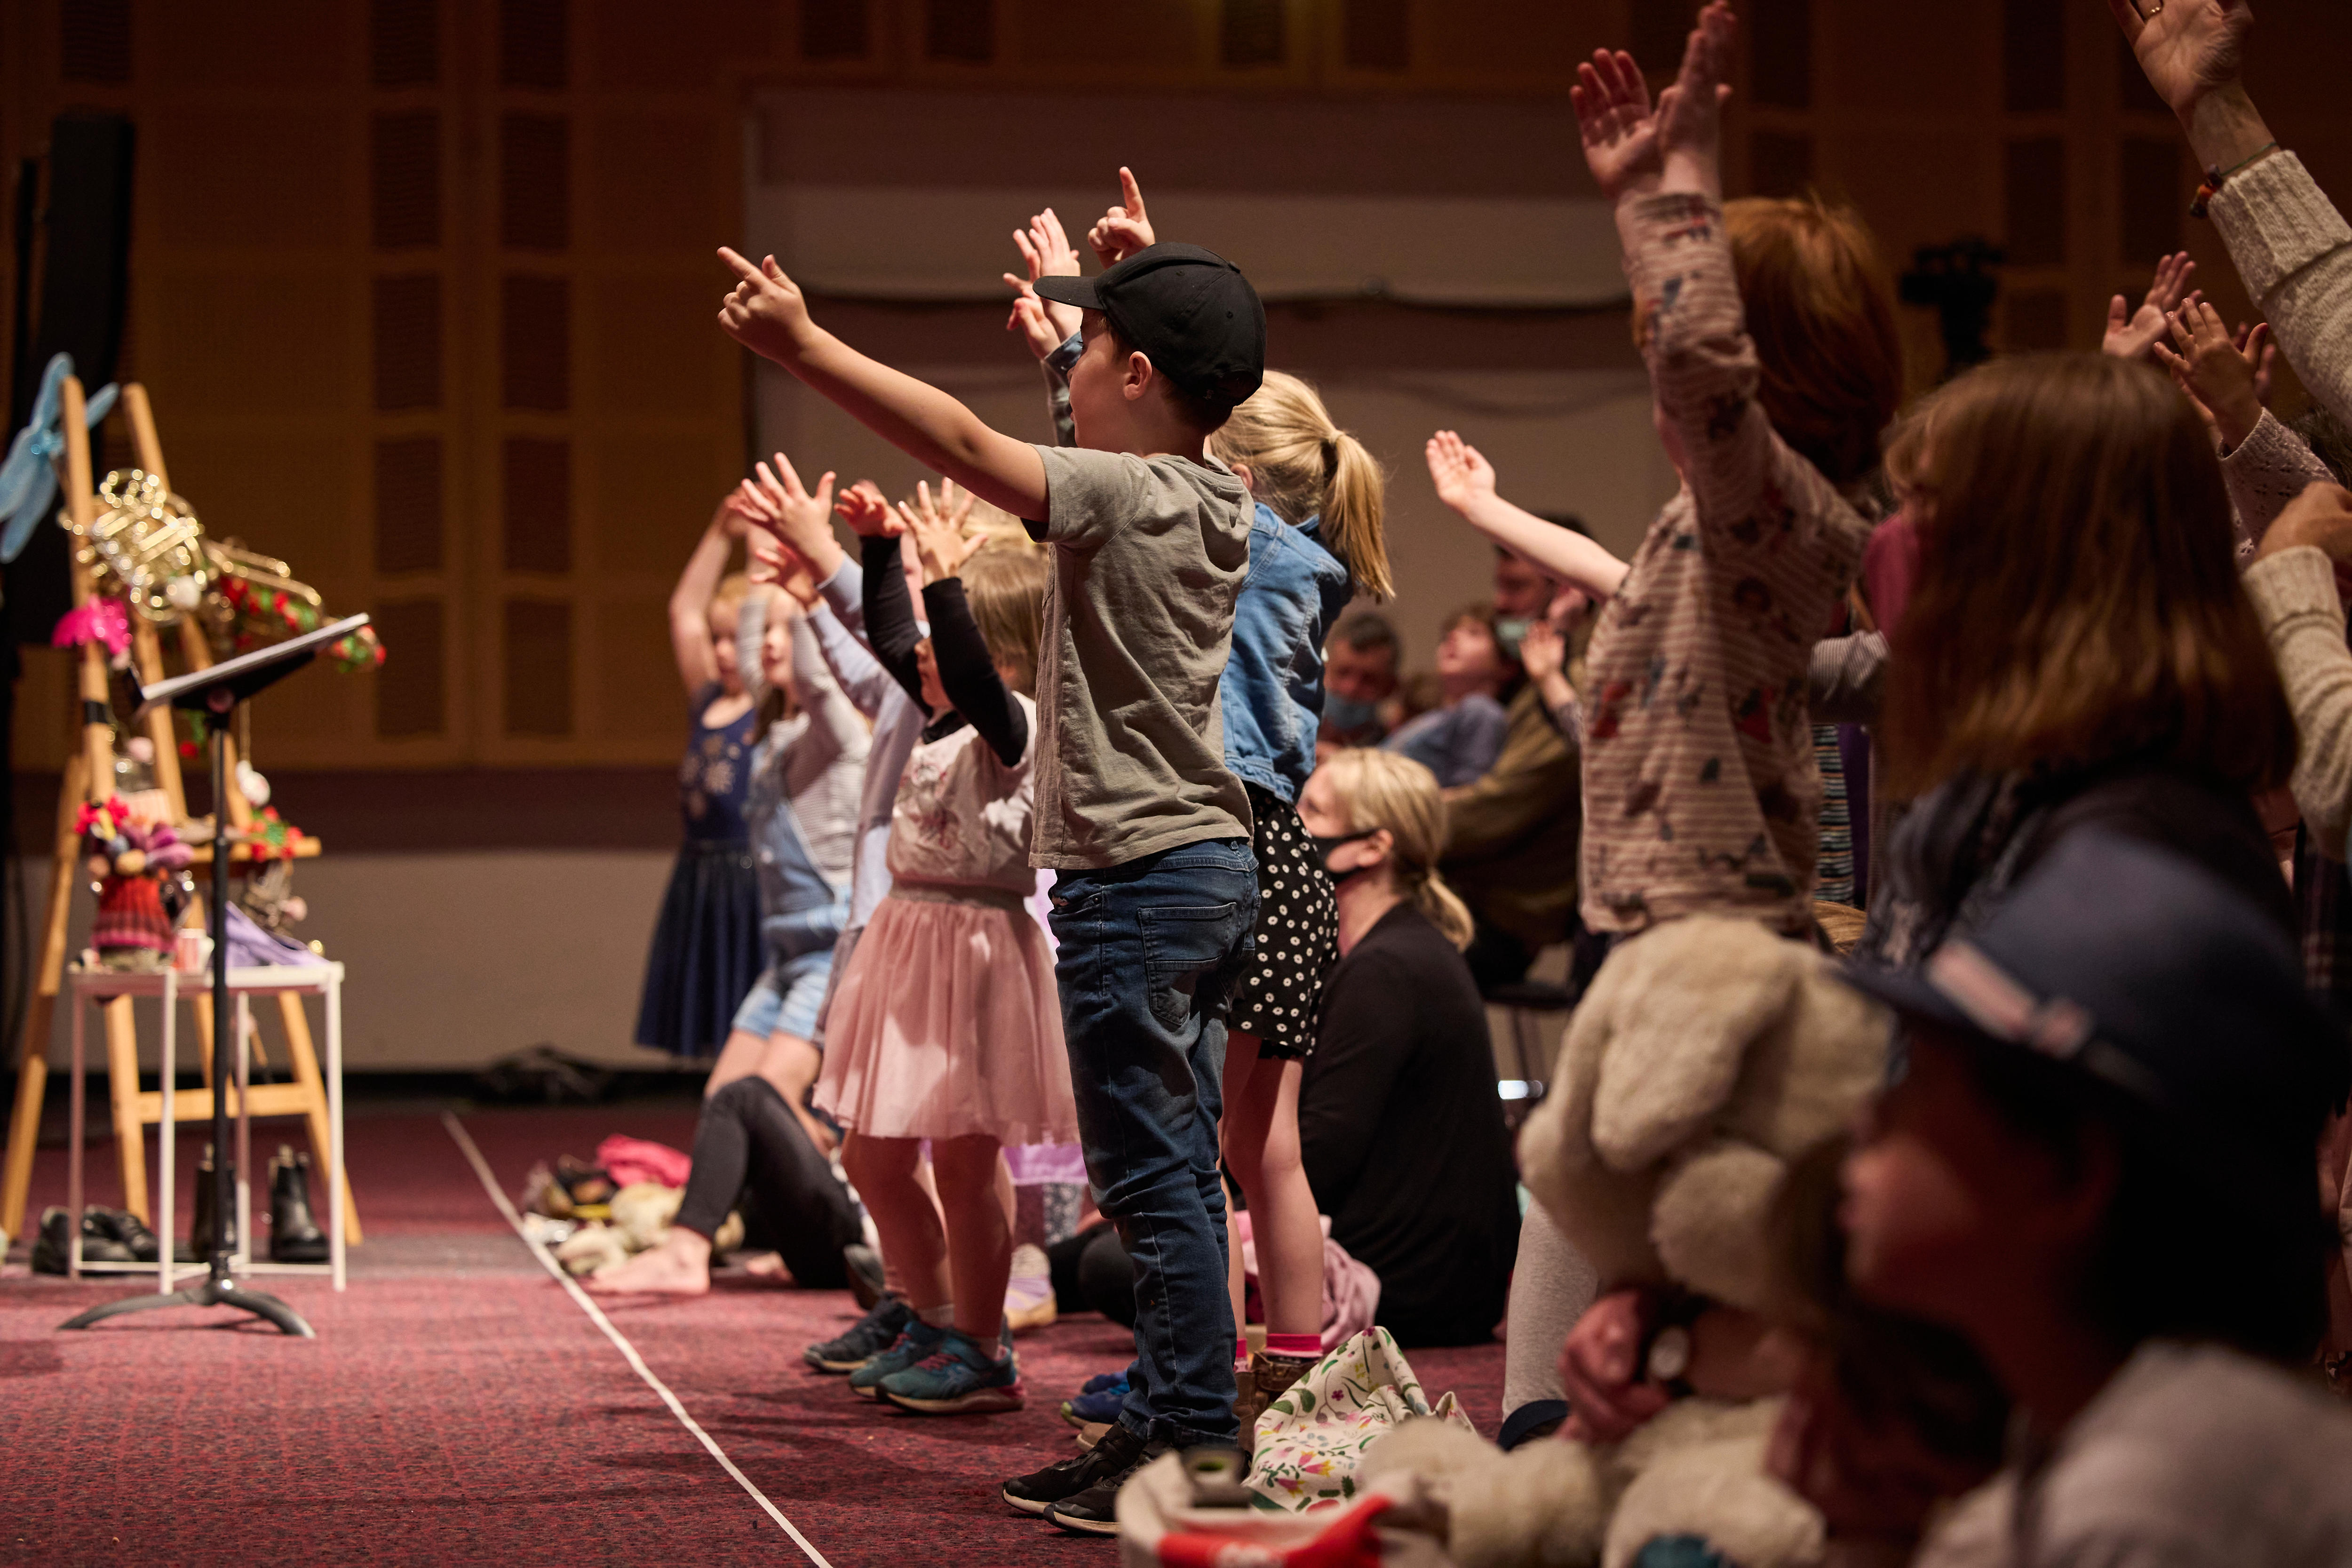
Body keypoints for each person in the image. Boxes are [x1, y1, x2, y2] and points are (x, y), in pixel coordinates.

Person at [718, 184, 1265, 1530]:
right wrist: (1096, 301)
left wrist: (805, 349)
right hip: (1195, 862)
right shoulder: (1210, 491)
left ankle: (1189, 1442)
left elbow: (968, 444)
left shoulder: (1126, 495)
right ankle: (1165, 1415)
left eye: (1089, 353)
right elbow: (1106, 415)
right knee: (1177, 1173)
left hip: (1140, 877)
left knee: (1154, 1180)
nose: (1068, 374)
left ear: (1137, 375)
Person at [1841, 831, 2352, 1566]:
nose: (1869, 1116)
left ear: (2070, 1173)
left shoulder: (2147, 1510)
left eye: (1919, 1083)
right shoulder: (2091, 1416)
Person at [809, 487, 1070, 1416]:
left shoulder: (1014, 730)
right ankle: (927, 1308)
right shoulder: (942, 717)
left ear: (998, 660)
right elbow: (898, 644)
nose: (921, 647)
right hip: (910, 945)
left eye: (945, 634)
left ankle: (982, 1342)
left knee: (965, 1161)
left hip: (973, 953)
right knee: (872, 1155)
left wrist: (951, 578)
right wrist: (882, 550)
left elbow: (953, 654)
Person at [1294, 749, 1519, 1348]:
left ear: (1371, 847)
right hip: (1441, 1276)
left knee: (1128, 1261)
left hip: (1410, 1283)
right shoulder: (1398, 948)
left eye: (1310, 810)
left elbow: (1322, 1148)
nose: (1291, 823)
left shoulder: (1387, 967)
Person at [633, 497, 769, 1059]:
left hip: (752, 881)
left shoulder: (766, 705)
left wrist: (762, 539)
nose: (720, 651)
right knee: (714, 1019)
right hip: (702, 873)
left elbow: (770, 603)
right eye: (715, 639)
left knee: (756, 1016)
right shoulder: (709, 699)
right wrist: (719, 531)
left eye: (733, 639)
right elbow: (682, 613)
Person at [1380, 603, 1513, 788]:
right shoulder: (1438, 716)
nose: (1453, 637)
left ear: (1506, 665)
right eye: (1446, 636)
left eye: (1474, 633)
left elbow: (1465, 797)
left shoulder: (1481, 710)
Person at [1320, 611, 1402, 752]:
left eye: (1369, 680)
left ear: (1390, 688)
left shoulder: (1393, 756)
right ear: (1324, 670)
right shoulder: (1290, 734)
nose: (1350, 688)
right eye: (1342, 672)